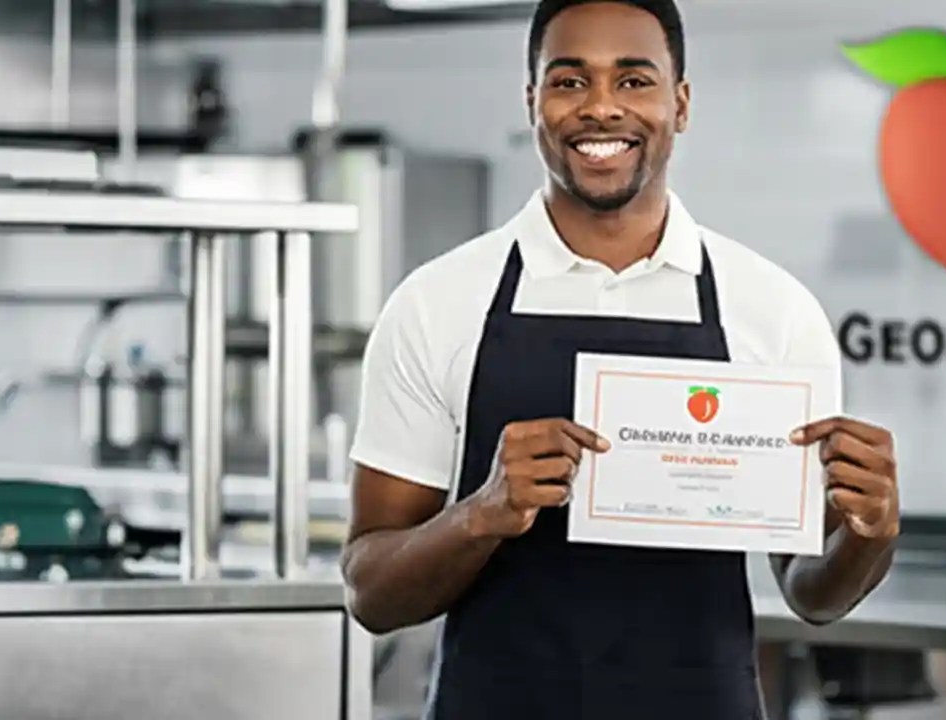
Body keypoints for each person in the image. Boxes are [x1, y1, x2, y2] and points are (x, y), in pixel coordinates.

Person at [341, 1, 901, 717]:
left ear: (682, 102)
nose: (601, 108)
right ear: (532, 102)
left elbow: (811, 592)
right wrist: (480, 514)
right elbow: (371, 594)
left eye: (634, 81)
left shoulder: (773, 311)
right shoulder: (436, 303)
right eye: (569, 82)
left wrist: (870, 536)